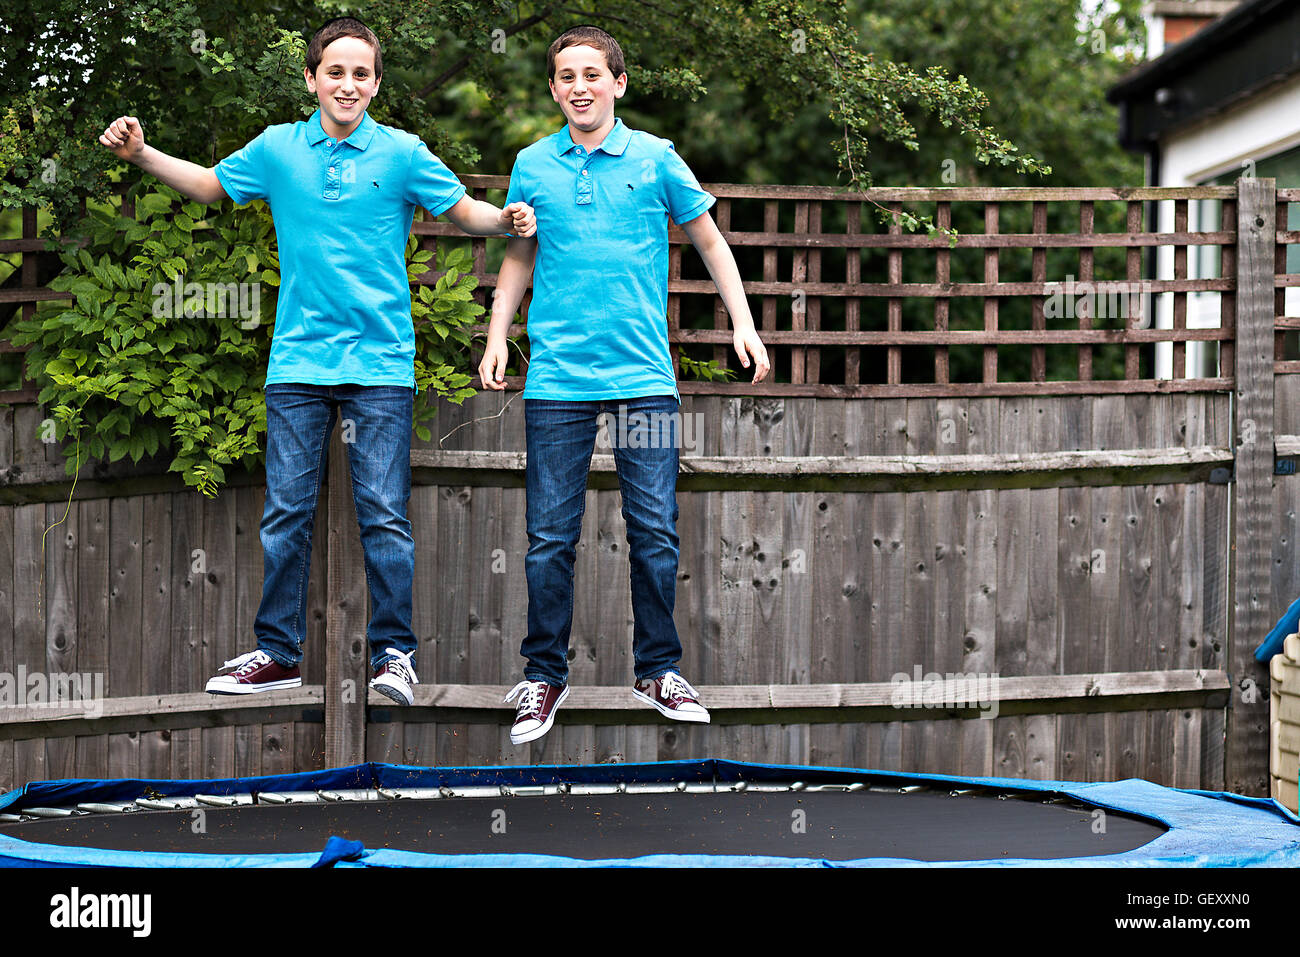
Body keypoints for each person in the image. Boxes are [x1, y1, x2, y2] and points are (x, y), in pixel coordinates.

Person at [98, 16, 535, 706]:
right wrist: (143, 155)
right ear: (311, 78)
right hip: (298, 364)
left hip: (381, 363)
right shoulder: (279, 149)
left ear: (377, 83)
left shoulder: (401, 152)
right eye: (336, 71)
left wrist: (504, 218)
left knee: (384, 514)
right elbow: (213, 186)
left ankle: (395, 654)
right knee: (286, 514)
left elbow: (464, 213)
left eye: (362, 73)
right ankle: (278, 653)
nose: (348, 84)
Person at [480, 25, 770, 745]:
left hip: (645, 378)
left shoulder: (656, 158)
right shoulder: (532, 165)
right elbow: (518, 257)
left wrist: (744, 322)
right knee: (549, 536)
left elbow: (709, 239)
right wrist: (496, 335)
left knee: (655, 532)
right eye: (566, 75)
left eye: (592, 73)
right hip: (556, 380)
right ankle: (543, 677)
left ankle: (657, 669)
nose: (579, 85)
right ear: (553, 88)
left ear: (618, 83)